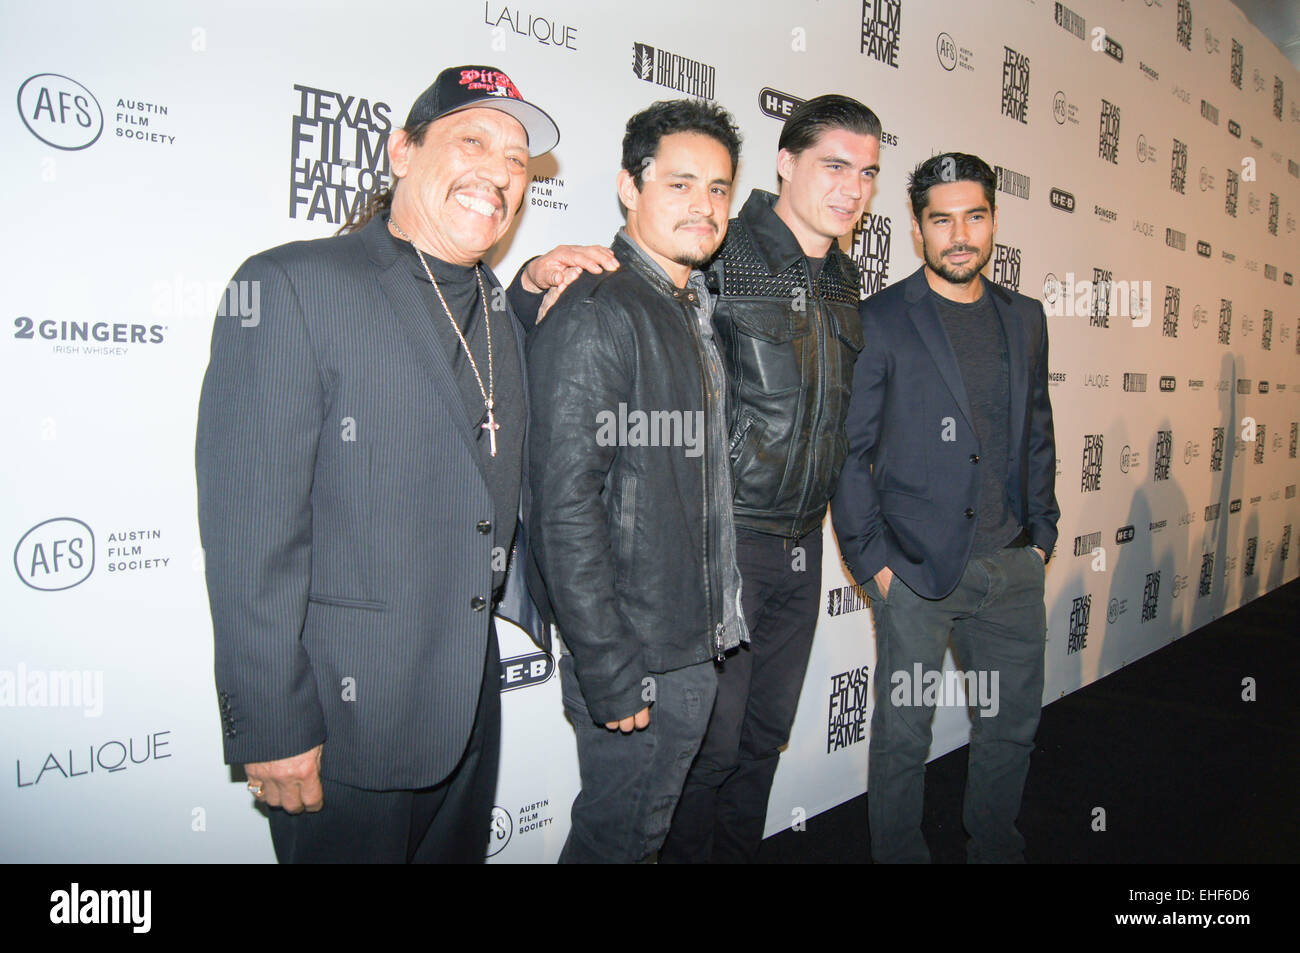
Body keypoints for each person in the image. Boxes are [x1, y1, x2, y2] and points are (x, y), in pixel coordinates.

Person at [196, 65, 610, 863]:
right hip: (344, 720)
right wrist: (272, 725)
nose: (498, 171)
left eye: (518, 160)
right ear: (402, 150)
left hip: (465, 701)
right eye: (472, 140)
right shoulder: (292, 286)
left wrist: (527, 285)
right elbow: (251, 533)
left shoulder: (496, 305)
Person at [659, 94, 881, 864]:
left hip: (802, 544)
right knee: (706, 752)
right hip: (725, 541)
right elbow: (642, 307)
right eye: (834, 166)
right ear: (785, 164)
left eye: (867, 173)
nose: (852, 189)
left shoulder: (846, 280)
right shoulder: (725, 249)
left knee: (760, 742)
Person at [526, 99, 748, 863]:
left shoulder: (689, 305)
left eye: (718, 188)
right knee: (617, 845)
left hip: (690, 642)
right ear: (629, 185)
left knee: (638, 839)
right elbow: (563, 507)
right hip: (640, 653)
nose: (704, 205)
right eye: (680, 184)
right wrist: (611, 664)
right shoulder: (599, 309)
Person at [830, 152, 1059, 863]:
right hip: (917, 573)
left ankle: (994, 845)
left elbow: (1039, 429)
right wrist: (875, 564)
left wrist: (1042, 534)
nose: (960, 235)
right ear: (919, 227)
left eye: (975, 216)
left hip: (1014, 564)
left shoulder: (1026, 318)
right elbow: (849, 450)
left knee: (1011, 725)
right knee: (904, 733)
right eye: (942, 220)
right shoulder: (883, 319)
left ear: (993, 220)